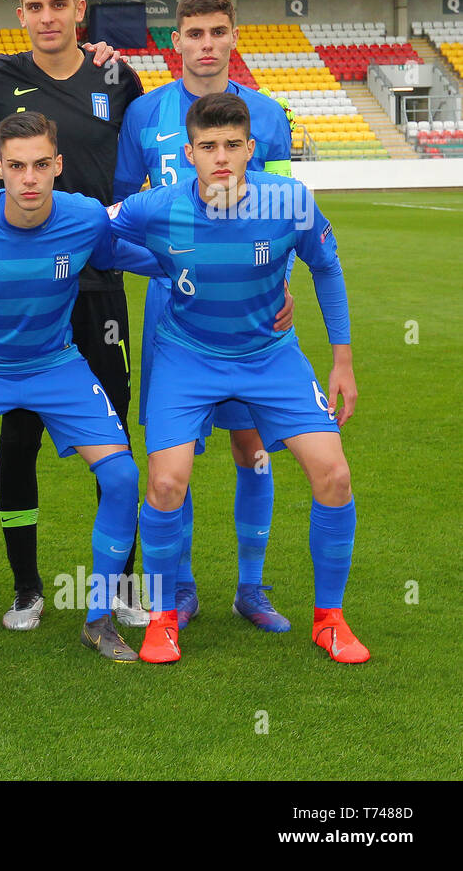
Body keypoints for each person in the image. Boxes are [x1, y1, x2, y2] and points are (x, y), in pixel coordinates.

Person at [109, 92, 366, 665]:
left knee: (335, 474)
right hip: (186, 356)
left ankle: (329, 619)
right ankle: (163, 617)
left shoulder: (290, 200)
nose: (220, 157)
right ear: (189, 153)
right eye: (208, 147)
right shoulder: (156, 206)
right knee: (168, 482)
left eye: (232, 145)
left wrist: (342, 358)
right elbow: (103, 240)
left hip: (270, 355)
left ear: (251, 149)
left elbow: (325, 264)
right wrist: (169, 264)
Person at [0, 112, 160, 665]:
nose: (28, 179)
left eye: (41, 165)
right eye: (16, 166)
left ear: (57, 166)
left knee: (121, 476)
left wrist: (195, 265)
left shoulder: (86, 219)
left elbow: (124, 256)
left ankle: (99, 618)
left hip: (53, 364)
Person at [0, 0, 145, 631]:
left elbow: (144, 154)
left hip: (97, 280)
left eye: (58, 4)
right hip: (21, 285)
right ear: (21, 15)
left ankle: (124, 579)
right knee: (19, 434)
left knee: (115, 433)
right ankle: (27, 586)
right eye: (34, 5)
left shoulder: (115, 75)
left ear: (79, 9)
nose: (47, 16)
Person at [114, 0, 296, 631]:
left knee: (253, 450)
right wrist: (164, 263)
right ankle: (183, 589)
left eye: (218, 32)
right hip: (173, 313)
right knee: (174, 455)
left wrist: (282, 280)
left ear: (234, 38)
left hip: (250, 311)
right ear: (177, 42)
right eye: (195, 33)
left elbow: (279, 212)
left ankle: (252, 588)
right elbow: (119, 217)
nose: (207, 45)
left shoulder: (269, 115)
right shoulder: (143, 116)